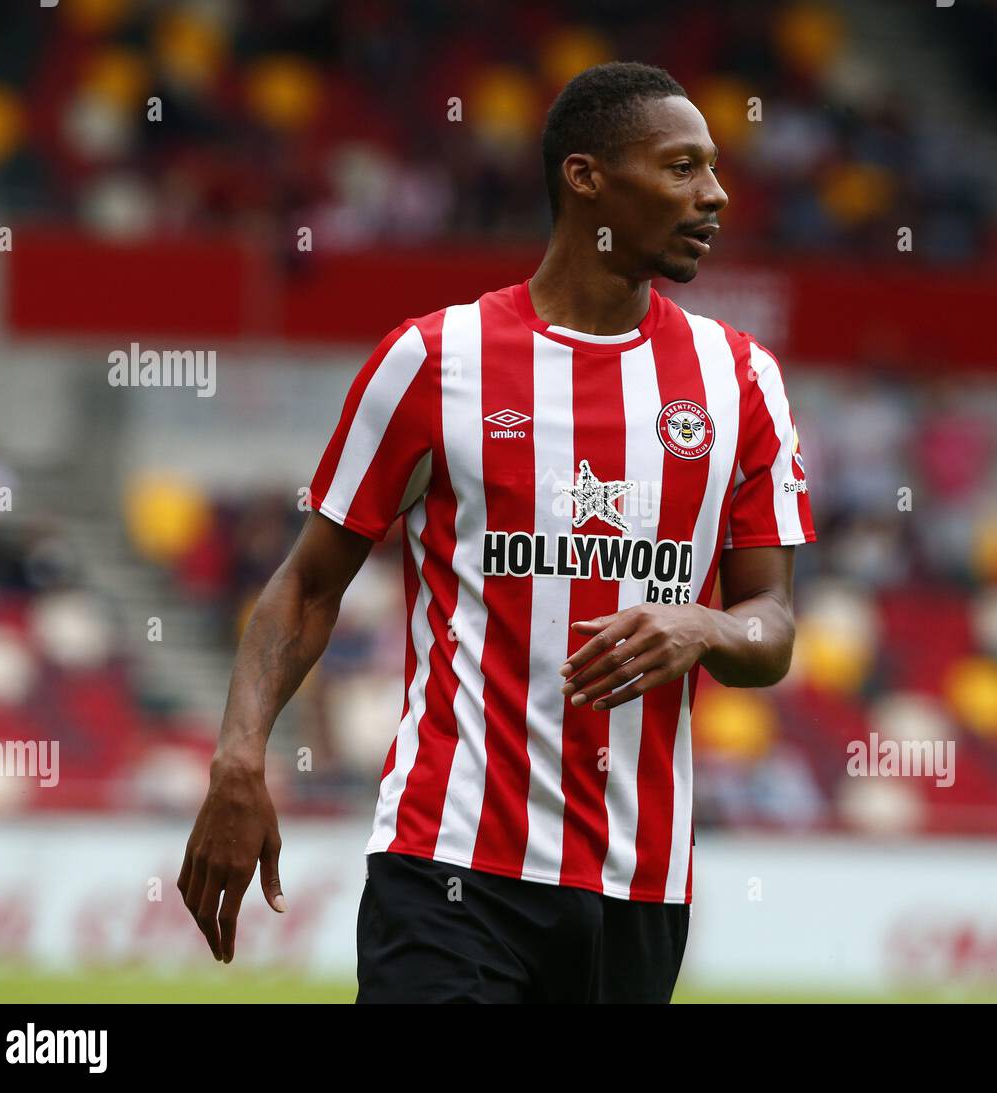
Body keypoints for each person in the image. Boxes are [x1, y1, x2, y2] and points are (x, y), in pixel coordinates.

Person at [179, 61, 816, 1003]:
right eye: (682, 168)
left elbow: (770, 626)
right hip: (449, 863)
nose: (714, 195)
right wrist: (239, 756)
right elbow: (309, 583)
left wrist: (707, 627)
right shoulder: (434, 361)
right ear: (587, 178)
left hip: (638, 887)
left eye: (713, 170)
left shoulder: (741, 381)